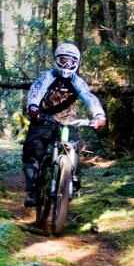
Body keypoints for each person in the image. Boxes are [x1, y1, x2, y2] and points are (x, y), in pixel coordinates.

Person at [22, 42, 106, 208]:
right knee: (33, 149)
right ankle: (31, 191)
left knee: (74, 149)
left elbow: (88, 97)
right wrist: (33, 106)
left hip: (68, 123)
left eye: (71, 61)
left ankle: (70, 179)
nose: (67, 65)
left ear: (77, 63)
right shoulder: (48, 76)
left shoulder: (77, 81)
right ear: (56, 60)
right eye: (63, 61)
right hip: (43, 120)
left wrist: (98, 114)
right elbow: (36, 90)